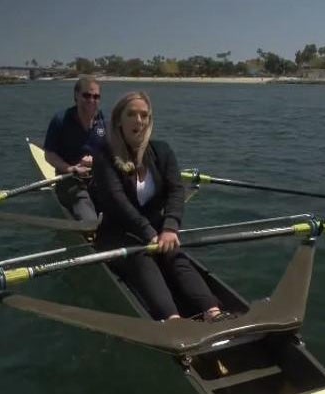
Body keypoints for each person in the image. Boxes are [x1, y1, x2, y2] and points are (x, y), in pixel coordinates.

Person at [91, 91, 226, 322]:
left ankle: (214, 312)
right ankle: (172, 320)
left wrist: (170, 227)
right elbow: (116, 201)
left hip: (157, 229)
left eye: (144, 115)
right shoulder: (104, 156)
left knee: (176, 257)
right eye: (131, 114)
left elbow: (176, 191)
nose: (139, 120)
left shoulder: (162, 151)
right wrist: (148, 232)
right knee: (143, 258)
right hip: (118, 233)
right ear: (119, 121)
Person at [43, 75, 107, 222]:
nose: (91, 100)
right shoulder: (60, 120)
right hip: (71, 182)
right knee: (90, 220)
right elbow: (49, 154)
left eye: (96, 97)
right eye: (87, 95)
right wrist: (71, 168)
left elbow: (112, 152)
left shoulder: (105, 121)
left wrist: (97, 161)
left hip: (98, 180)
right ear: (76, 96)